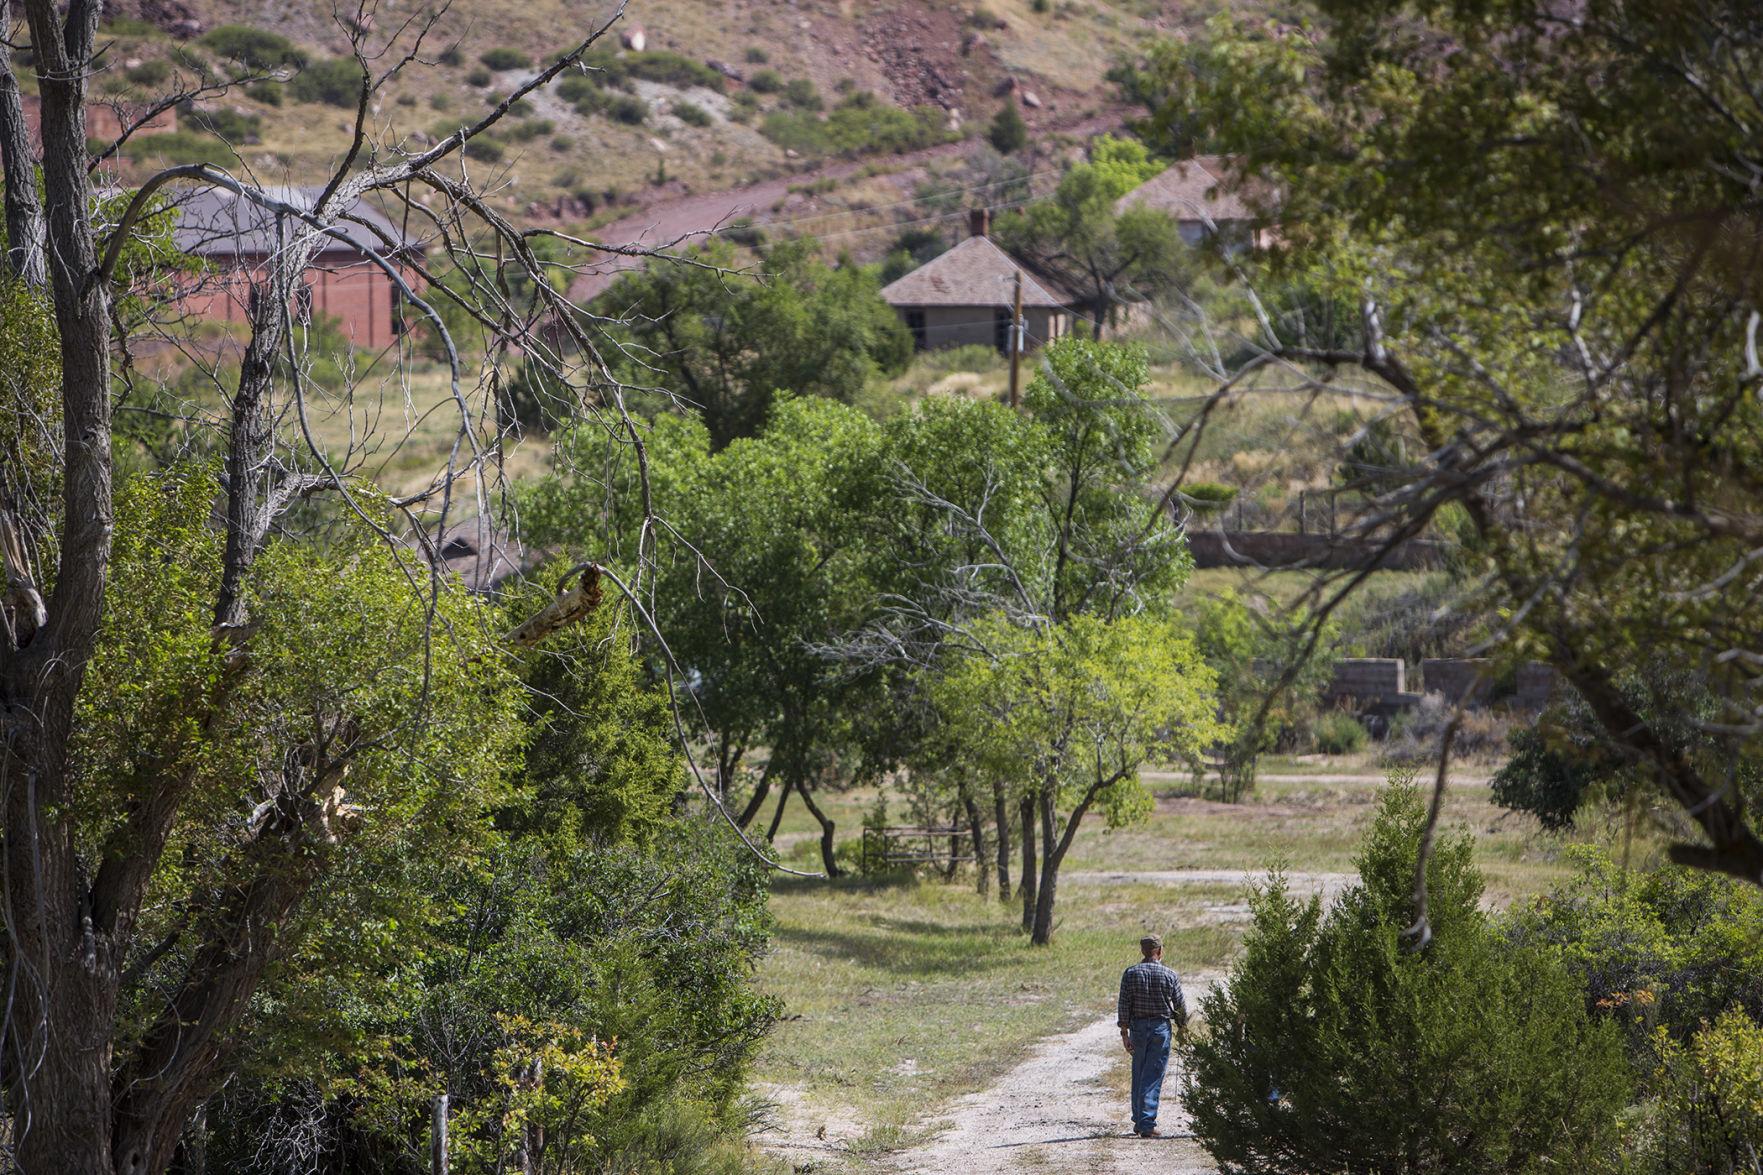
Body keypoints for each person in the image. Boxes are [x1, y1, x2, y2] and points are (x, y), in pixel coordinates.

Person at [1116, 933, 1187, 1139]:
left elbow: (1123, 1005)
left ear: (1142, 951)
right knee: (1153, 1074)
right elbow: (1180, 1005)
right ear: (1160, 951)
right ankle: (1147, 1123)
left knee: (1138, 1072)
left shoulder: (1130, 974)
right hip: (1160, 1028)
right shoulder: (1170, 974)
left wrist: (1124, 1033)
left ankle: (1139, 1119)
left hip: (1137, 1027)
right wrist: (1182, 1027)